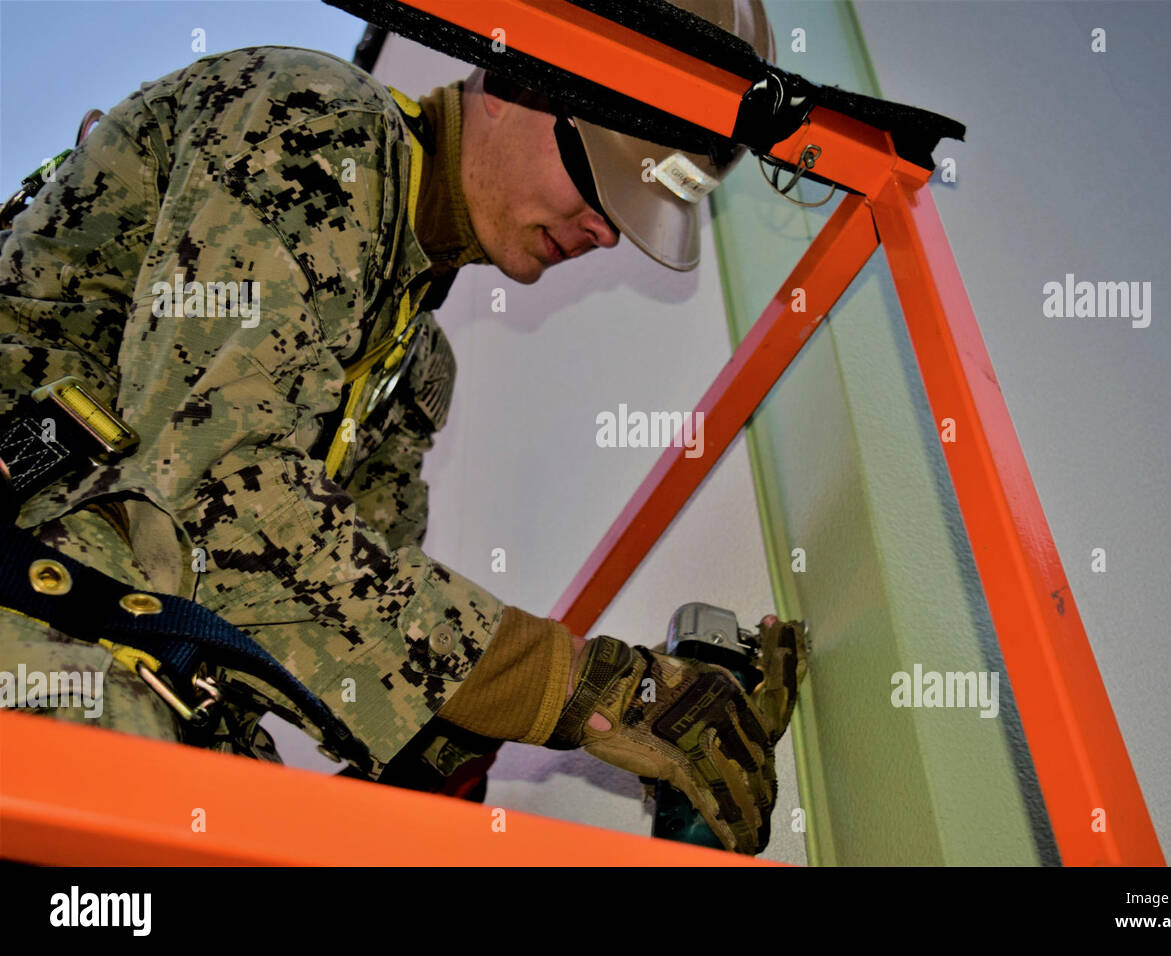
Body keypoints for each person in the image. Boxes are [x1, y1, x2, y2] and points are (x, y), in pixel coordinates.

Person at [0, 0, 806, 855]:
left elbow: (349, 606)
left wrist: (641, 712)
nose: (607, 230)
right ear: (512, 80)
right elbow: (207, 492)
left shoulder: (416, 364)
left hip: (143, 663)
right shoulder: (318, 121)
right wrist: (598, 691)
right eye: (602, 180)